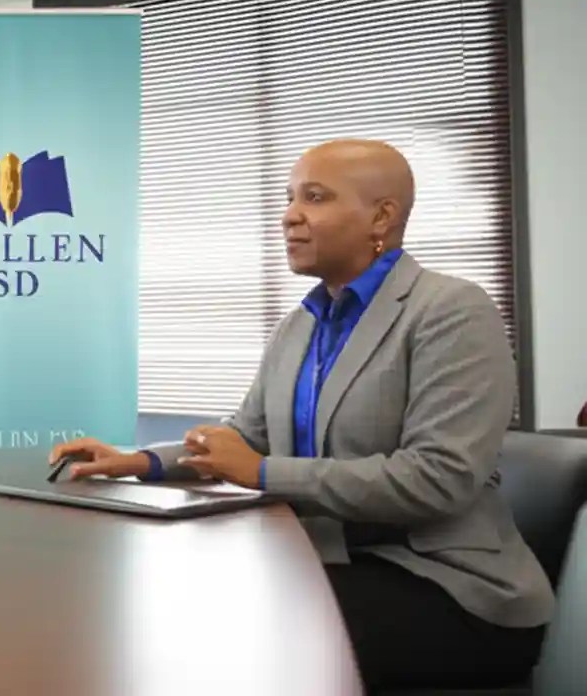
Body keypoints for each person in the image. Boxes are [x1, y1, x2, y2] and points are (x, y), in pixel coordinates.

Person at [50, 140, 554, 690]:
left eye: (314, 198)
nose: (289, 215)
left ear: (381, 216)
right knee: (176, 598)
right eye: (290, 198)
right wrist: (138, 461)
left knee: (219, 633)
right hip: (334, 562)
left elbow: (440, 479)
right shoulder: (300, 324)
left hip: (452, 590)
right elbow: (243, 439)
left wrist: (263, 473)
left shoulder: (452, 310)